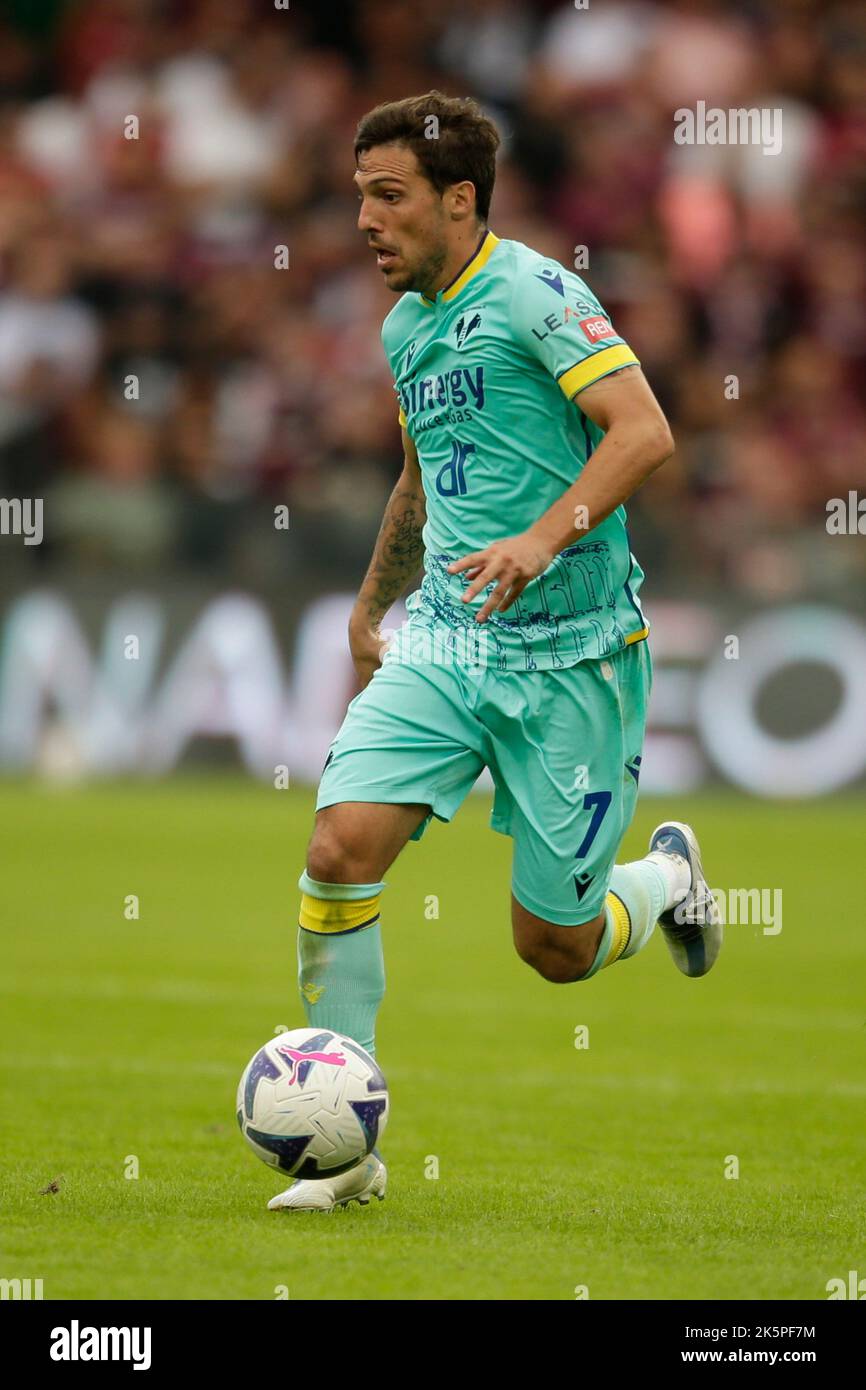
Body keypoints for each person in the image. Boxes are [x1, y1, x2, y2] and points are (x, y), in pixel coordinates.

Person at [268, 92, 721, 1214]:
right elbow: (425, 476)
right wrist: (372, 608)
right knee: (337, 848)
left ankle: (665, 880)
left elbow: (643, 430)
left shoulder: (533, 291)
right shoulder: (403, 327)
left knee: (554, 949)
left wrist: (539, 536)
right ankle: (346, 1147)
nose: (365, 220)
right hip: (448, 639)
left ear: (457, 200)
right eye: (358, 196)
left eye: (389, 196)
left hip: (574, 657)